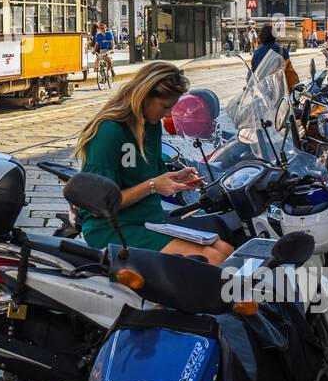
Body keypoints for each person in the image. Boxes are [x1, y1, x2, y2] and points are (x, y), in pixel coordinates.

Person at [74, 62, 234, 263]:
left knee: (227, 251)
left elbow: (153, 175)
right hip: (114, 227)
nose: (167, 114)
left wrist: (176, 178)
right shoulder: (110, 131)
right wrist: (153, 186)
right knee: (211, 258)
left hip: (150, 221)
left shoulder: (151, 126)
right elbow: (100, 203)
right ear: (145, 96)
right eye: (165, 107)